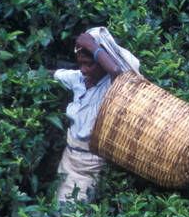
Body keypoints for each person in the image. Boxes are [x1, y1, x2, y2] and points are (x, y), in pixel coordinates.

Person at [53, 26, 141, 203]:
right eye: (81, 64)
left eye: (89, 64)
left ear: (102, 63)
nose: (84, 70)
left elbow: (118, 72)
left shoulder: (112, 86)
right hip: (69, 158)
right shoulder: (78, 78)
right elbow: (46, 75)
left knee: (73, 213)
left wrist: (94, 47)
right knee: (59, 208)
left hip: (90, 163)